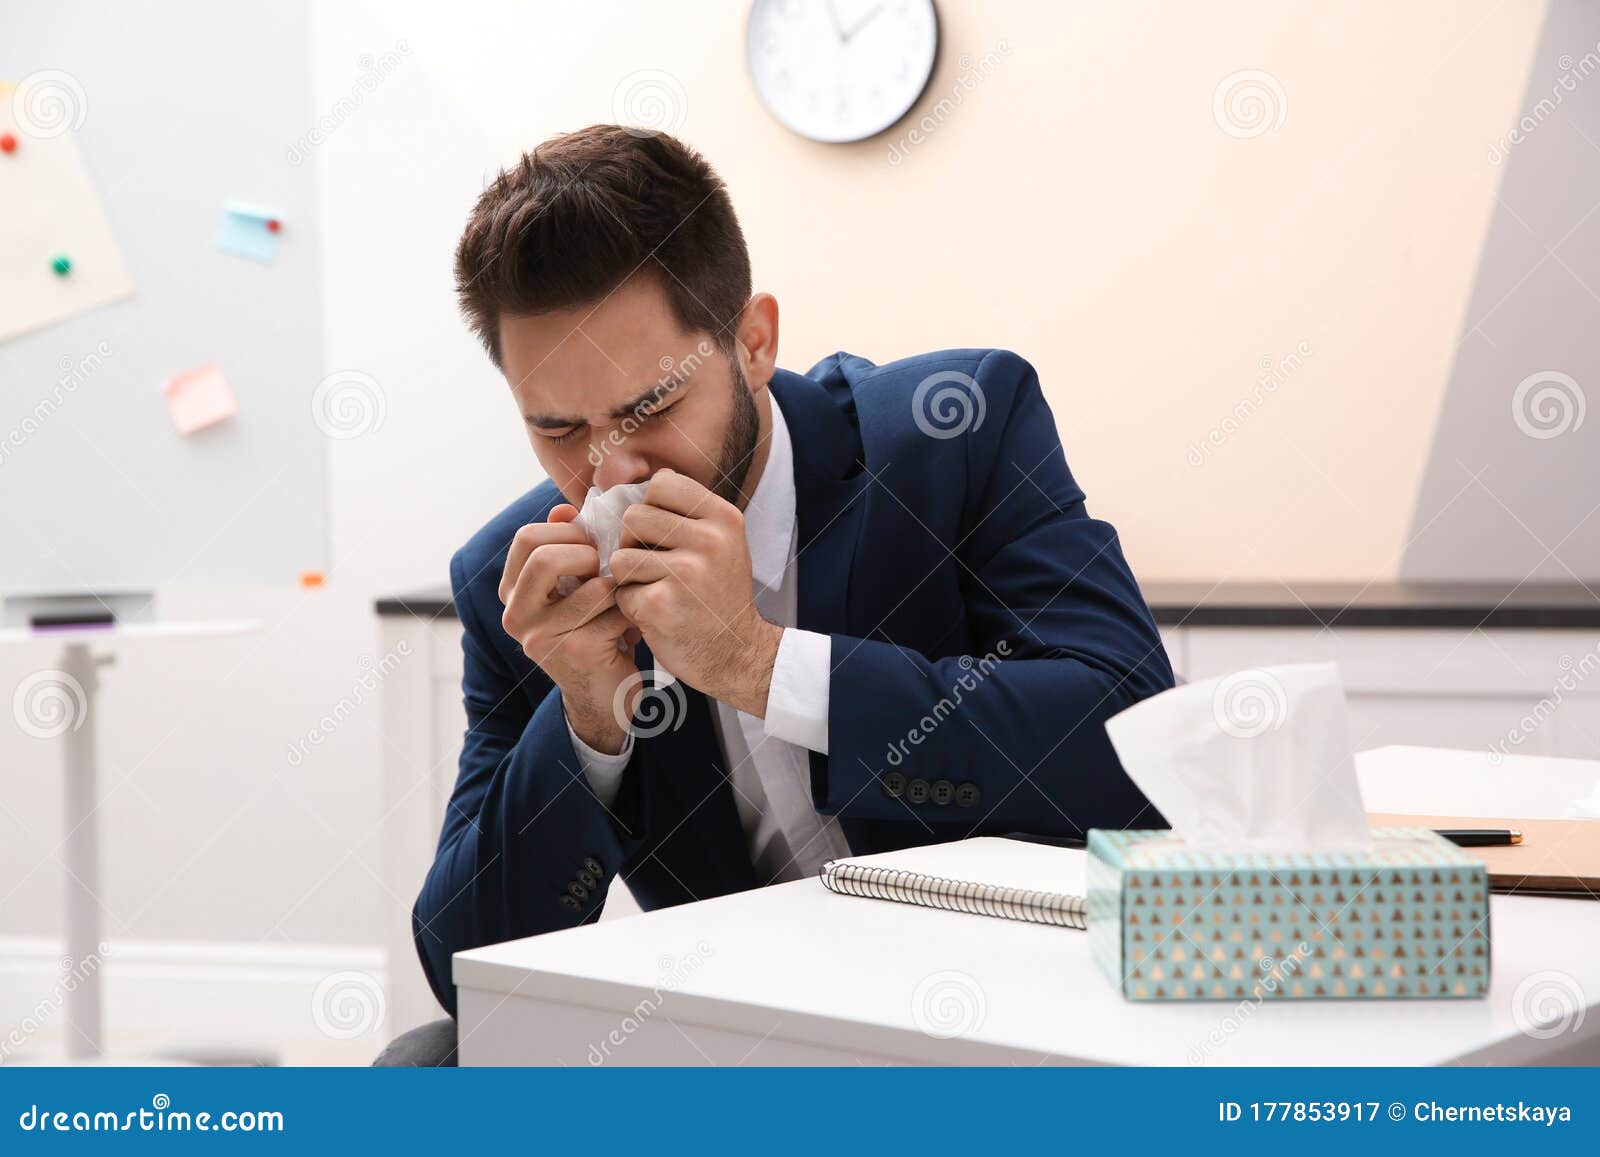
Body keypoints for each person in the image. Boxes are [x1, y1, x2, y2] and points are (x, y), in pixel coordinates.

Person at [377, 125, 1173, 1065]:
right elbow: (467, 969)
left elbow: (1133, 744)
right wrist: (590, 715)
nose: (609, 472)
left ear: (753, 342)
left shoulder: (955, 431)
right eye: (558, 429)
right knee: (422, 1068)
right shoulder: (515, 580)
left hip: (1006, 1014)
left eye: (649, 409)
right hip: (747, 1041)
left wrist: (760, 662)